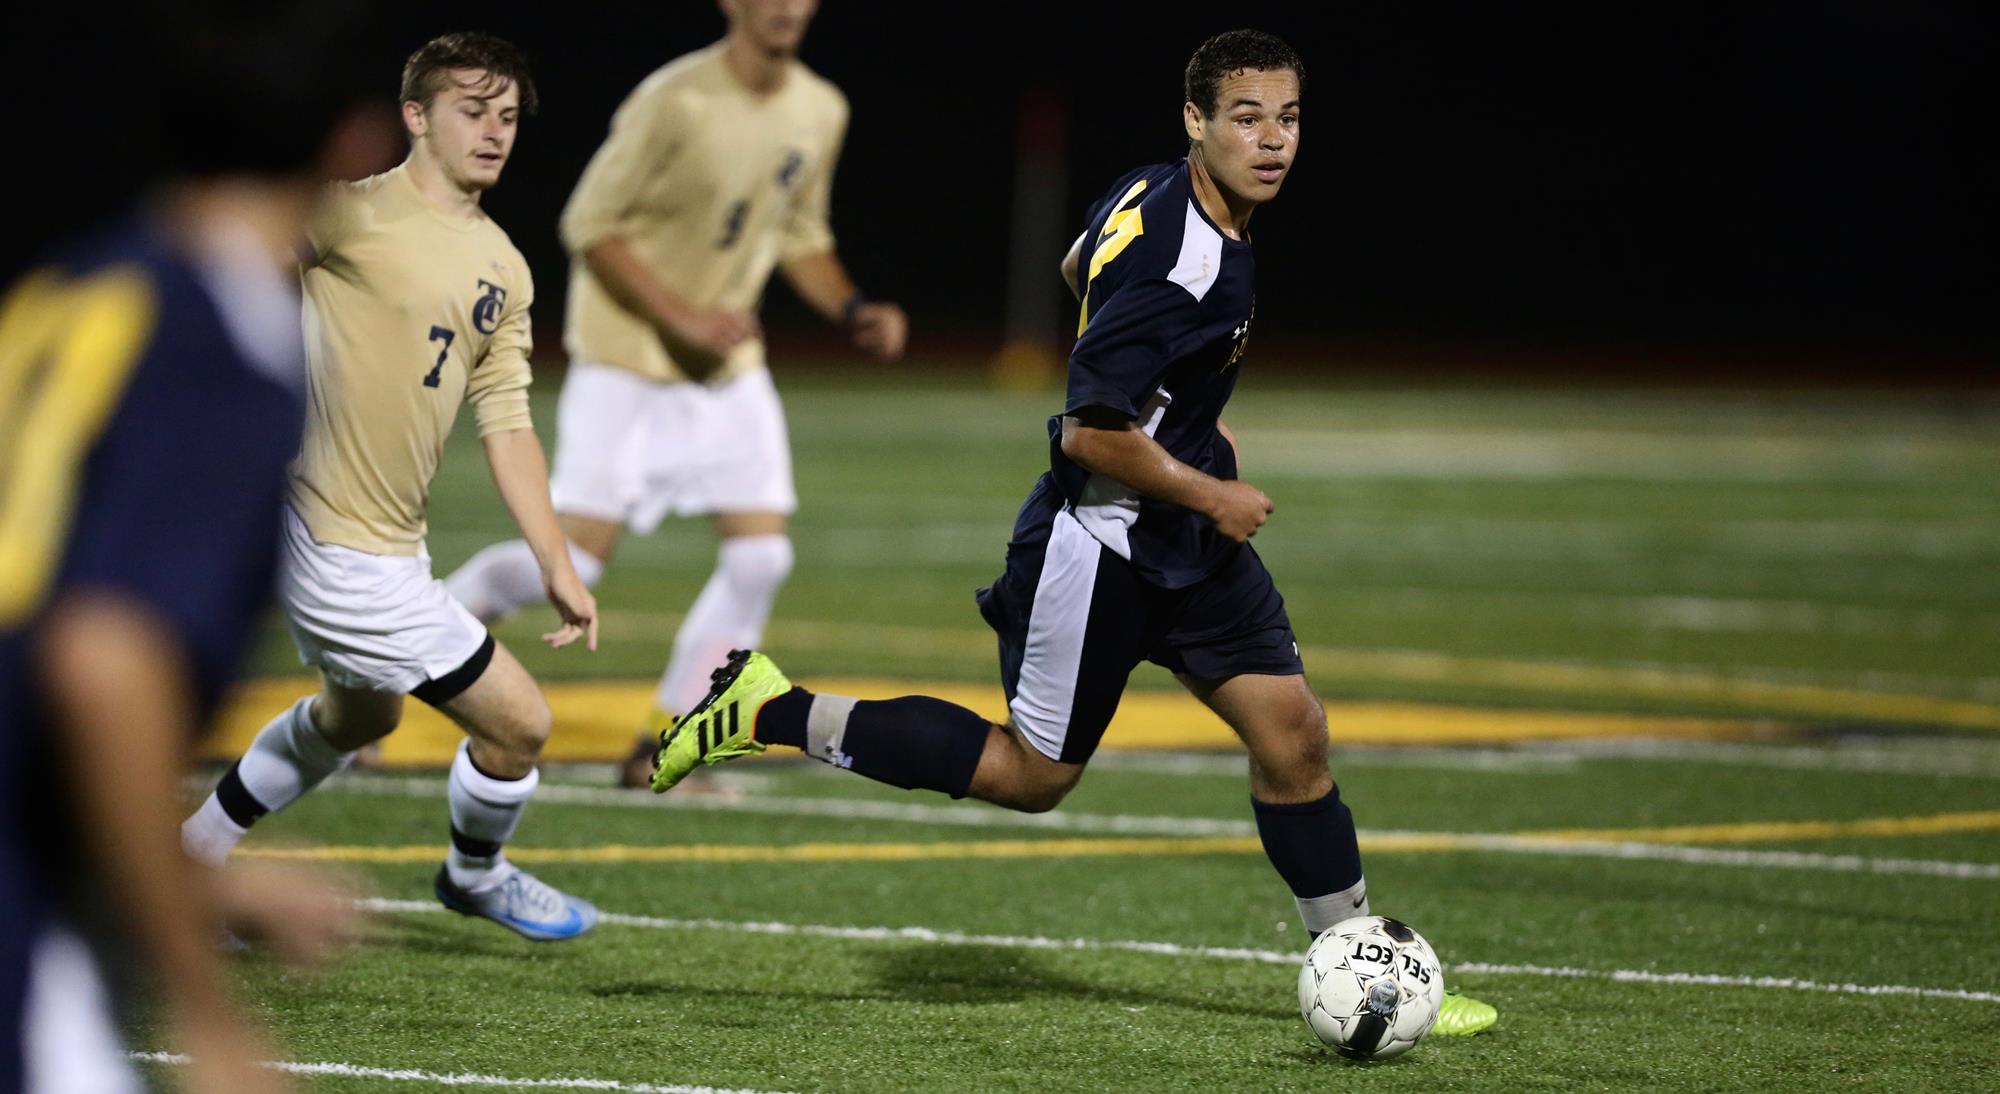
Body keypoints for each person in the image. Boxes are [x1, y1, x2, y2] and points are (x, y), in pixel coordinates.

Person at [646, 29, 1499, 1035]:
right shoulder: (1184, 263)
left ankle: (1370, 969)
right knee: (1031, 775)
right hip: (1096, 547)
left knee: (1293, 732)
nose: (1271, 141)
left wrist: (1176, 411)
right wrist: (1207, 485)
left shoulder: (1155, 190)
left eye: (1288, 118)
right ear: (1195, 121)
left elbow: (1073, 263)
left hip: (1184, 541)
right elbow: (1090, 433)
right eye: (1244, 117)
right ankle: (770, 709)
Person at [0, 5, 386, 1089]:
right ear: (352, 144)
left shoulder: (67, 287)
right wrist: (202, 1000)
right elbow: (101, 655)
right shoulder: (222, 338)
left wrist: (201, 882)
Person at [180, 32, 603, 943]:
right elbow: (222, 257)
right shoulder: (346, 213)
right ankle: (474, 874)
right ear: (415, 117)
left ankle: (191, 854)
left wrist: (556, 562)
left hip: (388, 540)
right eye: (472, 111)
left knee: (354, 713)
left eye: (507, 116)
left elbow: (509, 423)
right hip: (332, 541)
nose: (495, 131)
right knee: (521, 723)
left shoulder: (505, 266)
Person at [442, 0, 909, 789]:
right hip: (626, 359)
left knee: (762, 555)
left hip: (725, 365)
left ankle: (666, 741)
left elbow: (799, 234)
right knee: (571, 568)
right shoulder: (675, 98)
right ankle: (401, 649)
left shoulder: (820, 107)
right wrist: (682, 317)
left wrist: (854, 309)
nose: (790, 7)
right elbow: (589, 225)